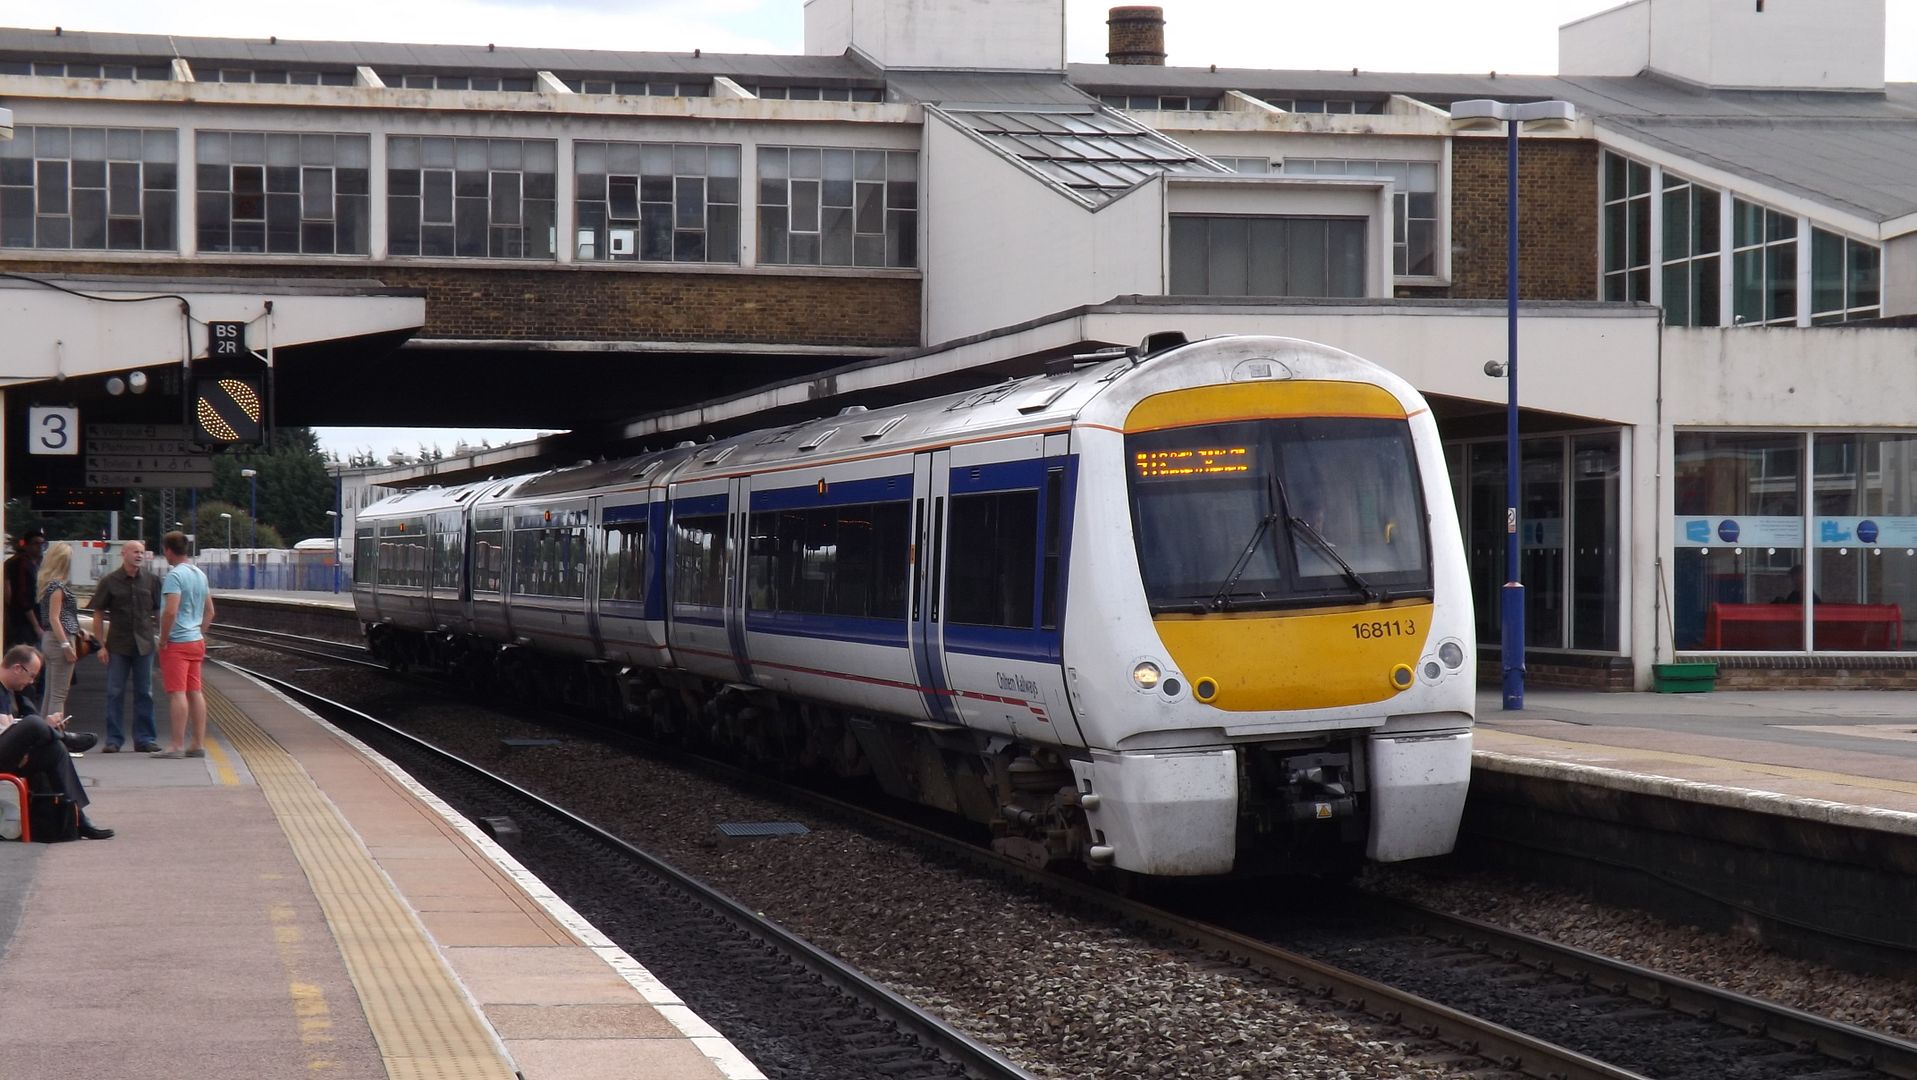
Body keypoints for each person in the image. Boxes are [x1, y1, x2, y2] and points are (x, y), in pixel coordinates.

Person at [0, 645, 113, 840]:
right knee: (34, 723)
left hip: (11, 752)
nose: (31, 682)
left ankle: (80, 819)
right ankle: (65, 738)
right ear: (18, 668)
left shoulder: (15, 693)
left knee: (55, 749)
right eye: (31, 675)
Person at [89, 540, 164, 753]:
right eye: (135, 552)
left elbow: (158, 612)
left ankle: (145, 738)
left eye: (142, 552)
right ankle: (113, 739)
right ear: (124, 554)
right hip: (118, 645)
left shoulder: (152, 581)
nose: (139, 555)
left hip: (144, 645)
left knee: (145, 692)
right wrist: (101, 645)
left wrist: (162, 637)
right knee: (115, 692)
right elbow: (98, 613)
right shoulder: (109, 582)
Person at [153, 531, 215, 759]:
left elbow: (170, 610)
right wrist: (199, 632)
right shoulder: (199, 574)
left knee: (177, 693)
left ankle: (176, 744)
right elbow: (210, 611)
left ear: (168, 550)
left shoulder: (174, 576)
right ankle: (197, 743)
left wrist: (163, 638)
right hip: (196, 641)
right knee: (195, 692)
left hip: (177, 642)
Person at [35, 541, 83, 722]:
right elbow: (55, 617)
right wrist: (66, 644)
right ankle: (56, 739)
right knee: (59, 694)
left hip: (50, 639)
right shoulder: (58, 588)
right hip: (59, 639)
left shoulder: (48, 585)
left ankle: (44, 734)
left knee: (50, 691)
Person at [4, 526, 46, 650]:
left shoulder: (39, 562)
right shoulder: (21, 564)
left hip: (34, 616)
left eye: (42, 544)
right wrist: (35, 625)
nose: (39, 547)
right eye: (36, 543)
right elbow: (22, 597)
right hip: (22, 620)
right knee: (26, 652)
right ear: (26, 545)